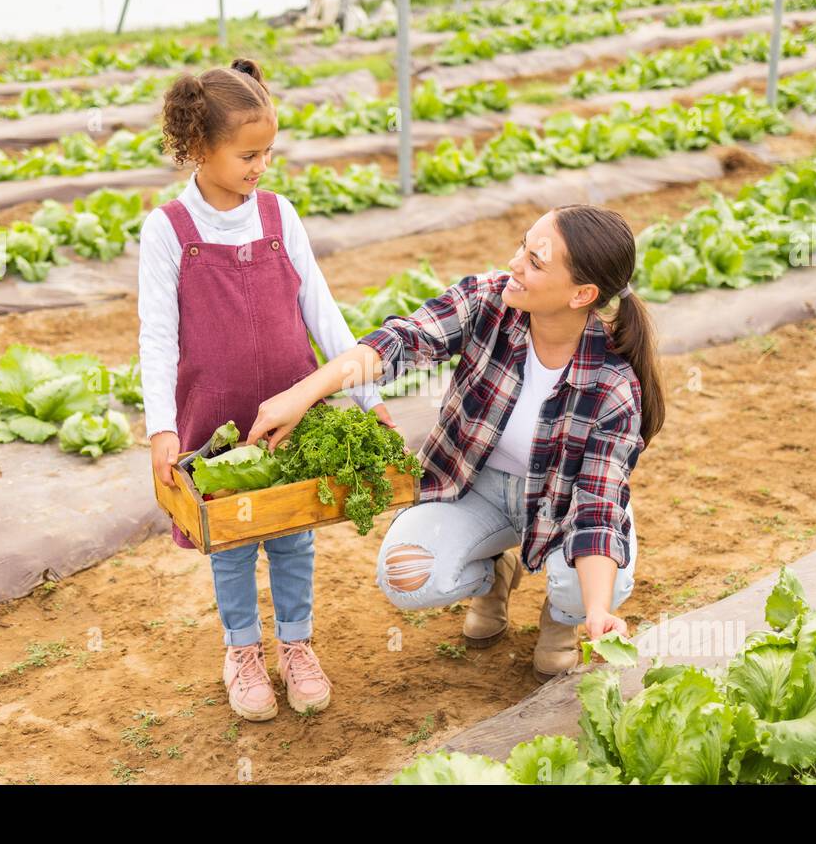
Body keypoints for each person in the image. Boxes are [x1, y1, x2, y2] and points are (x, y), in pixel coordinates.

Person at [247, 205, 663, 682]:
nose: (515, 264)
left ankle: (562, 618)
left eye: (535, 262)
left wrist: (595, 612)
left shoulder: (612, 387)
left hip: (560, 507)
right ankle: (493, 573)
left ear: (581, 294)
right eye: (523, 247)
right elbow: (400, 342)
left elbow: (596, 509)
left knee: (597, 586)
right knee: (406, 576)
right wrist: (302, 395)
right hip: (475, 488)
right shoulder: (488, 301)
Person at [138, 58, 393, 721]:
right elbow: (157, 335)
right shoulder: (169, 229)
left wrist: (367, 395)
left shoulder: (280, 215)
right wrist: (162, 427)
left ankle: (296, 645)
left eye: (268, 152)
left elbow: (323, 312)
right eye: (247, 154)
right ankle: (242, 649)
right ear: (200, 148)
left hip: (292, 410)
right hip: (216, 423)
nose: (261, 166)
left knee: (292, 532)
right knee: (229, 537)